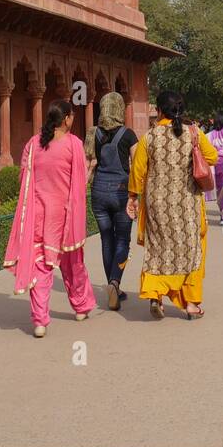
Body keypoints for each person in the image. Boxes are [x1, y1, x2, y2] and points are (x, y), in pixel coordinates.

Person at [4, 99, 97, 337]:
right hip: (63, 215)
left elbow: (23, 179)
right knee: (73, 262)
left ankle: (40, 321)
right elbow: (79, 182)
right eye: (72, 116)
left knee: (41, 266)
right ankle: (81, 307)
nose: (73, 120)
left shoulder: (33, 144)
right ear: (66, 118)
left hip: (38, 214)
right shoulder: (74, 144)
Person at [126, 90, 219, 319]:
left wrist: (132, 197)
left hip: (157, 202)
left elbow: (138, 170)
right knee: (191, 250)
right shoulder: (192, 133)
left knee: (158, 249)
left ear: (159, 110)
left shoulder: (149, 136)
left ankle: (155, 294)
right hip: (187, 202)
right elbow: (213, 157)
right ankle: (191, 304)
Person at [85, 91, 137, 311]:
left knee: (107, 239)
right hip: (121, 192)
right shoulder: (128, 135)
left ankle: (112, 285)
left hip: (98, 192)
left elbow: (89, 163)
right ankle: (115, 282)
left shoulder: (92, 133)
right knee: (123, 240)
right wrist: (137, 195)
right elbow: (136, 165)